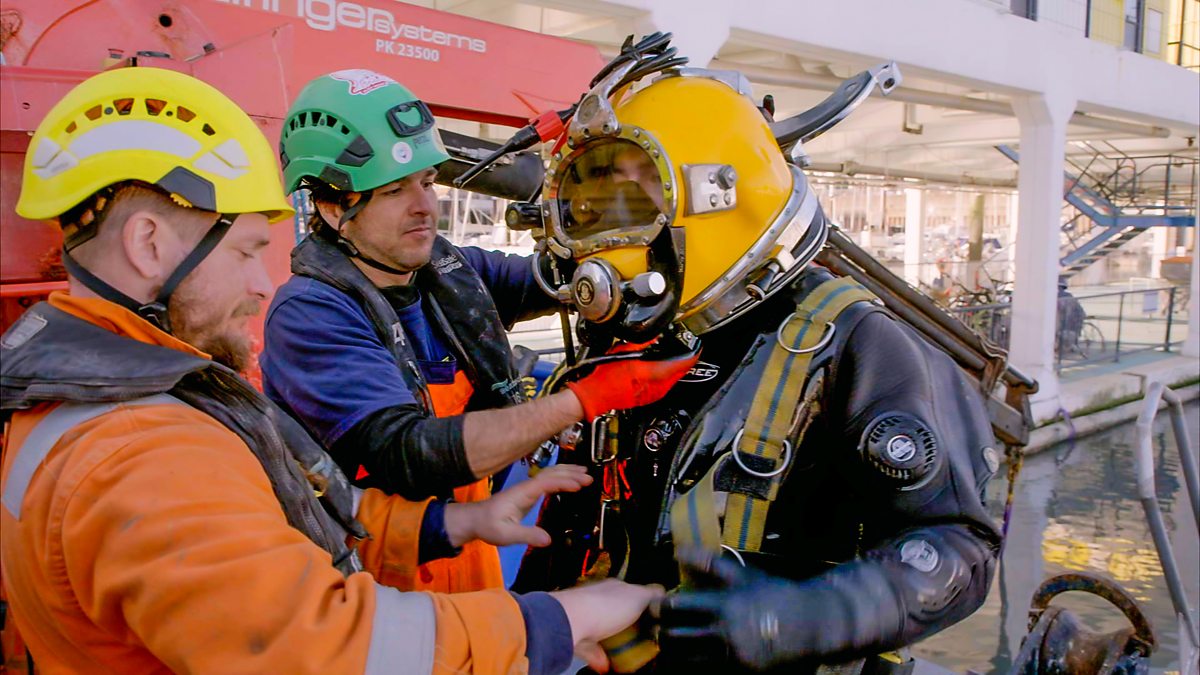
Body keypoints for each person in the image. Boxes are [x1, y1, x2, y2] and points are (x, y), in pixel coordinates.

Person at [0, 66, 661, 674]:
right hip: (415, 615)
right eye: (245, 252)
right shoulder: (139, 452)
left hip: (446, 575)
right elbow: (327, 647)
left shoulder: (101, 396)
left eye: (427, 182)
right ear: (148, 245)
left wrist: (451, 526)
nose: (263, 284)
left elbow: (297, 525)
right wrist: (553, 619)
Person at [514, 60, 1002, 673]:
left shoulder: (857, 342)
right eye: (594, 198)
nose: (601, 235)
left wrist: (803, 616)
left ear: (721, 195)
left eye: (634, 196)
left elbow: (958, 545)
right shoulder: (636, 338)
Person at [260, 69, 698, 593]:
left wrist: (615, 199)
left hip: (467, 555)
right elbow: (408, 454)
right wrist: (581, 401)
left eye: (426, 182)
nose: (425, 206)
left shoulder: (447, 273)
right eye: (396, 190)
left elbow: (556, 275)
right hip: (369, 583)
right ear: (333, 206)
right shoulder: (312, 313)